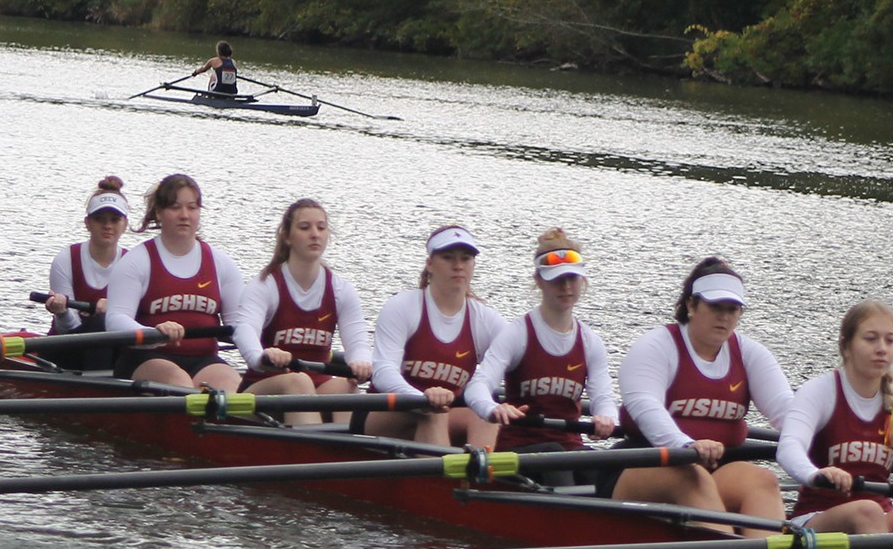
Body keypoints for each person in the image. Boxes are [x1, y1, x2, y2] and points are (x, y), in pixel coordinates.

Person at [612, 257, 792, 532]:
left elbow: (786, 410)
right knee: (692, 477)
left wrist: (825, 436)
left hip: (714, 470)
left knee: (763, 481)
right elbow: (644, 405)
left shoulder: (750, 354)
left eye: (733, 309)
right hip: (642, 465)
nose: (725, 316)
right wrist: (684, 445)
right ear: (691, 305)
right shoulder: (656, 347)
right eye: (716, 306)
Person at [777, 301, 893, 549]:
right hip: (816, 520)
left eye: (890, 341)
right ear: (846, 346)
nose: (881, 349)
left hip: (878, 520)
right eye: (871, 339)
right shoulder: (820, 391)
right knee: (867, 511)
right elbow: (789, 447)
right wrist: (816, 474)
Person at [462, 227, 618, 471]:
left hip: (569, 448)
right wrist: (492, 408)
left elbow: (604, 398)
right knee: (555, 455)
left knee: (599, 465)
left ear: (582, 280)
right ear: (538, 281)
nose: (566, 287)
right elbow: (478, 387)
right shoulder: (518, 334)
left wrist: (606, 417)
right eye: (557, 279)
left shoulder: (590, 342)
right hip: (518, 451)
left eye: (572, 278)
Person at [366, 225, 509, 446]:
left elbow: (525, 361)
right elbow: (383, 373)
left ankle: (482, 476)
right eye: (448, 257)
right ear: (430, 264)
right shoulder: (403, 307)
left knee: (487, 415)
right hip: (385, 413)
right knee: (432, 414)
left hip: (444, 414)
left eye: (466, 258)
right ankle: (440, 480)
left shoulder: (485, 319)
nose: (458, 266)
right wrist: (421, 398)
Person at [234, 198, 373, 425]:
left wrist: (360, 362)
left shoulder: (340, 289)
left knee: (346, 385)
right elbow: (245, 329)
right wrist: (260, 356)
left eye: (321, 227)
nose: (315, 234)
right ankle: (318, 451)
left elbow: (358, 342)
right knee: (298, 381)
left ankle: (350, 453)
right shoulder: (266, 285)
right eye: (305, 228)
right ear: (288, 237)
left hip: (316, 388)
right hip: (262, 389)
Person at [102, 174, 243, 391]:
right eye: (175, 207)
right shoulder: (136, 262)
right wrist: (154, 334)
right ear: (159, 213)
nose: (185, 215)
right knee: (179, 384)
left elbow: (239, 328)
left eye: (192, 207)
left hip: (203, 360)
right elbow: (115, 320)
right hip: (145, 358)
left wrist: (266, 355)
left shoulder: (222, 265)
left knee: (233, 386)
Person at [42, 176, 130, 373]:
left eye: (115, 220)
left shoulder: (133, 264)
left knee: (106, 322)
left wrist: (115, 311)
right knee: (100, 322)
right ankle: (99, 391)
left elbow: (138, 323)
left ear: (125, 224)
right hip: (66, 349)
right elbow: (68, 329)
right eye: (100, 219)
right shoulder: (66, 259)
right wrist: (62, 312)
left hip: (114, 351)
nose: (107, 226)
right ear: (87, 223)